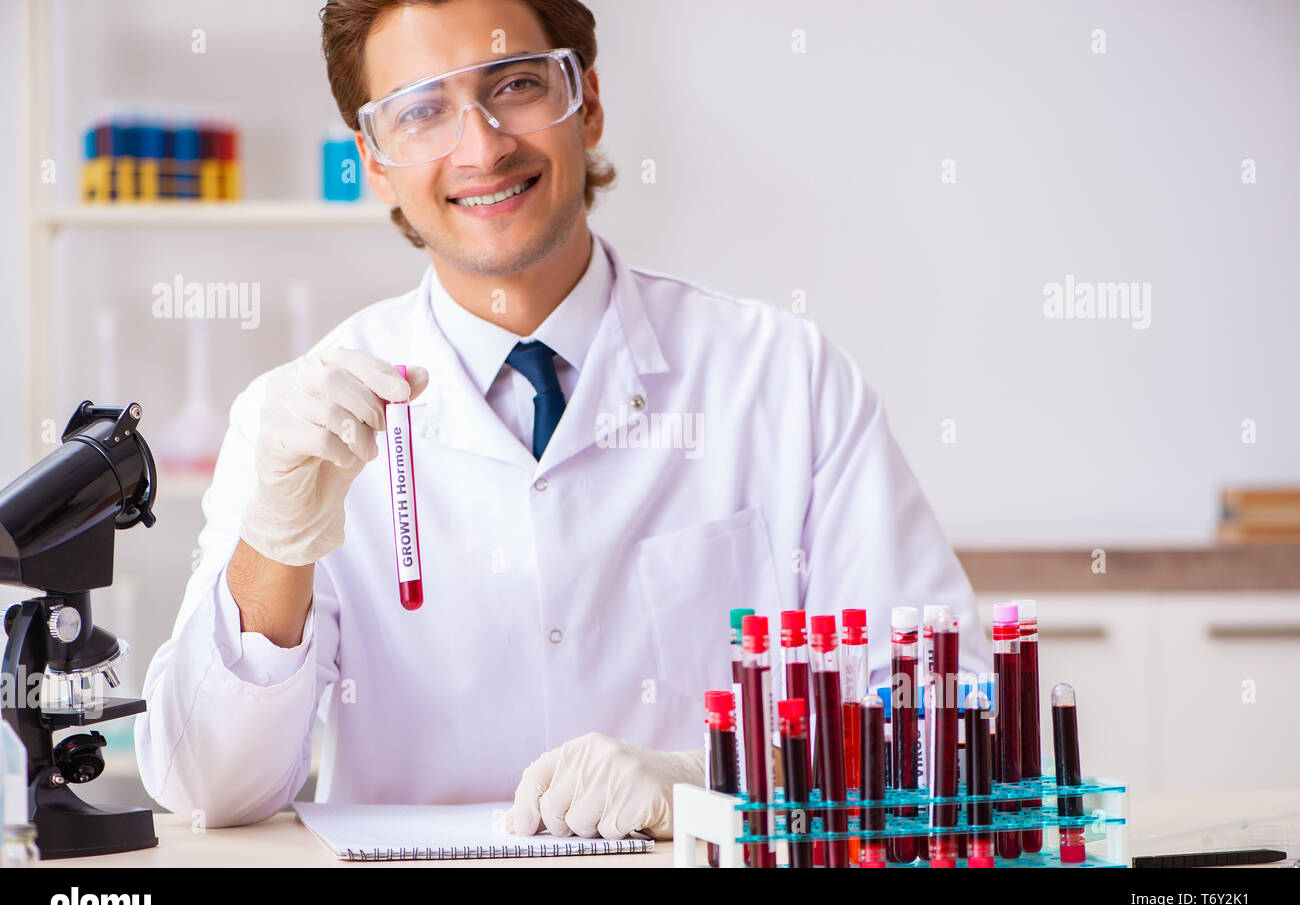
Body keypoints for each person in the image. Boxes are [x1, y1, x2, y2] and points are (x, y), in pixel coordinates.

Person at [136, 0, 991, 840]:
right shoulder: (297, 422)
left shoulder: (783, 378)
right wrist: (276, 545)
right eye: (422, 111)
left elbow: (950, 731)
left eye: (513, 85)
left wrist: (714, 780)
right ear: (374, 159)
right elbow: (213, 788)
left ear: (587, 103)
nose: (482, 146)